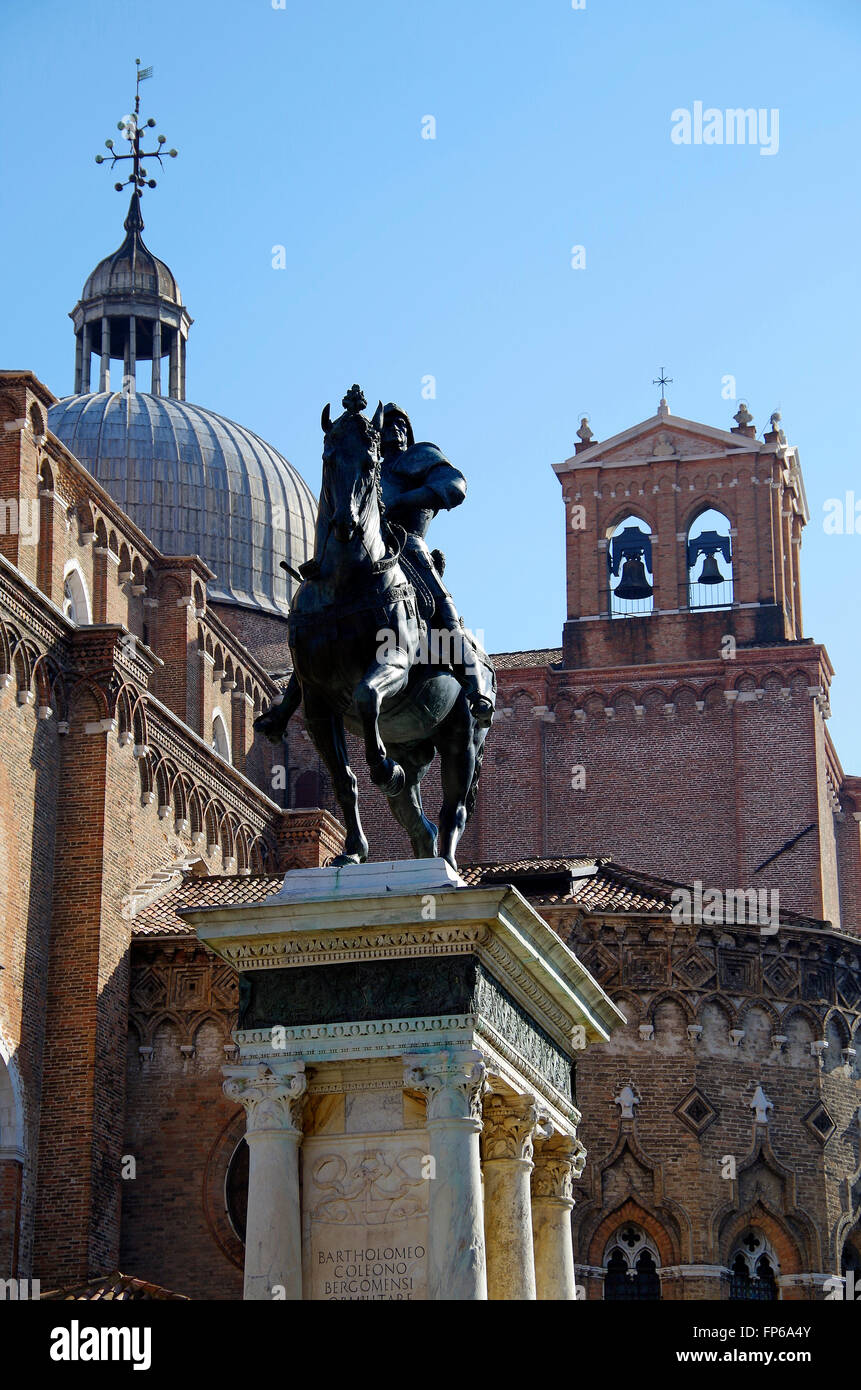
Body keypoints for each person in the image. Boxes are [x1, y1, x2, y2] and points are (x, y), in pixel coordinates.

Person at [379, 403, 495, 726]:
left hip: (408, 549)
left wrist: (401, 501)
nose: (394, 429)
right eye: (387, 424)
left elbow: (455, 486)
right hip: (366, 553)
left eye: (401, 424)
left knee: (442, 608)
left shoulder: (418, 457)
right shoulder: (366, 467)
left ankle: (474, 681)